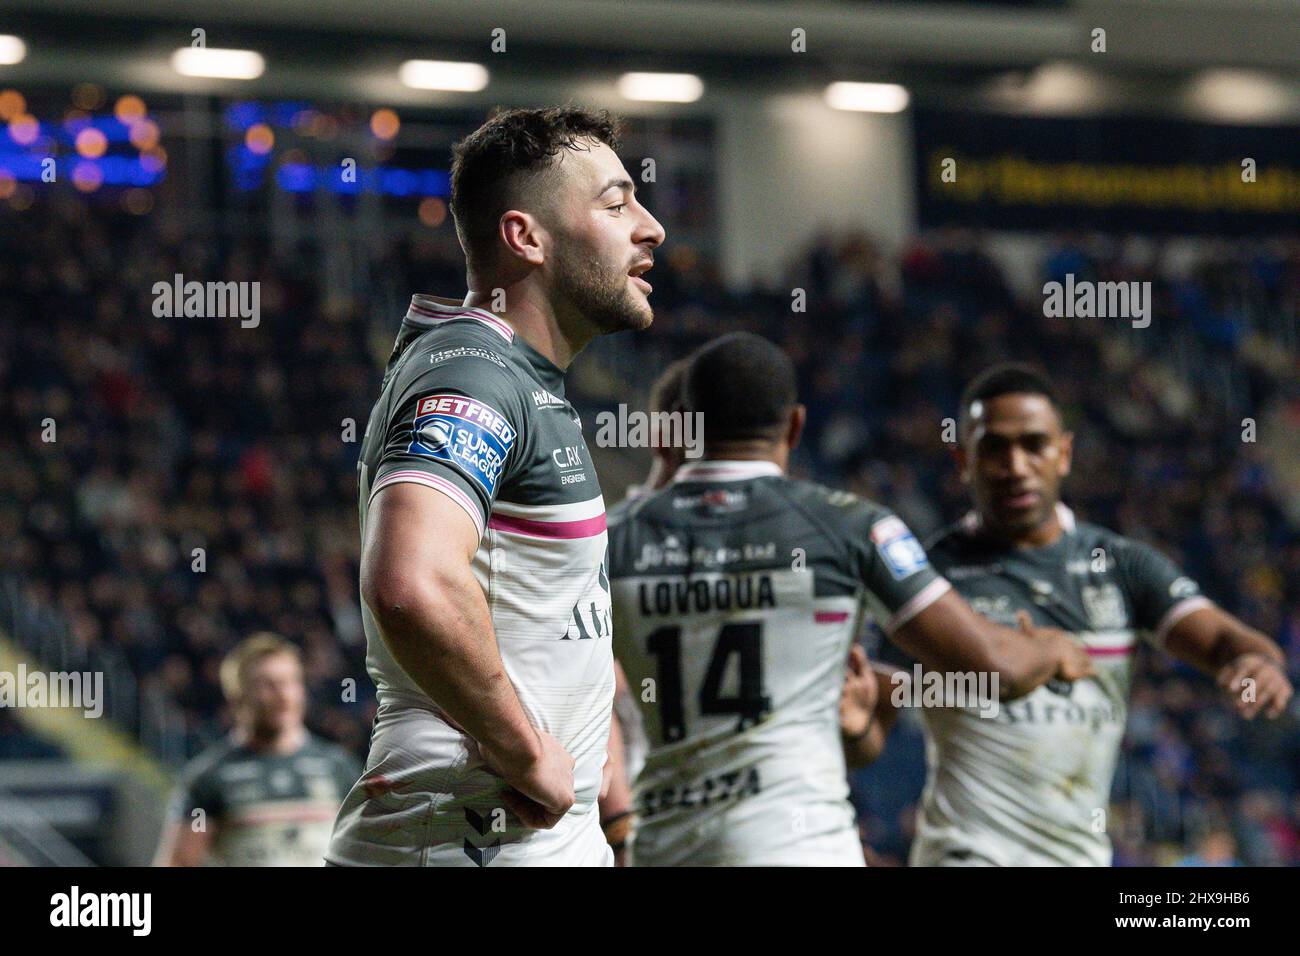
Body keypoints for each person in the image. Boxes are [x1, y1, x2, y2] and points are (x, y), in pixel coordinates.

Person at [605, 333, 1091, 866]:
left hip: (662, 850)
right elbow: (996, 668)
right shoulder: (850, 527)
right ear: (794, 426)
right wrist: (1053, 650)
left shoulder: (610, 538)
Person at [327, 106, 664, 866]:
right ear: (526, 237)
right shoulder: (473, 374)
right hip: (465, 838)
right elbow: (412, 582)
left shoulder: (520, 379)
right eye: (615, 205)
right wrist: (524, 752)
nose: (651, 228)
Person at [879, 363, 1293, 866]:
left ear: (1064, 454)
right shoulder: (928, 577)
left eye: (1034, 444)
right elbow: (873, 698)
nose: (1016, 465)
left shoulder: (1122, 566)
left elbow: (1236, 644)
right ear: (963, 459)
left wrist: (1257, 667)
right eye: (994, 448)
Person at [156, 633, 359, 866]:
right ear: (237, 695)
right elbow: (179, 862)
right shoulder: (207, 778)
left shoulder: (339, 768)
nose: (282, 695)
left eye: (290, 682)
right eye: (267, 685)